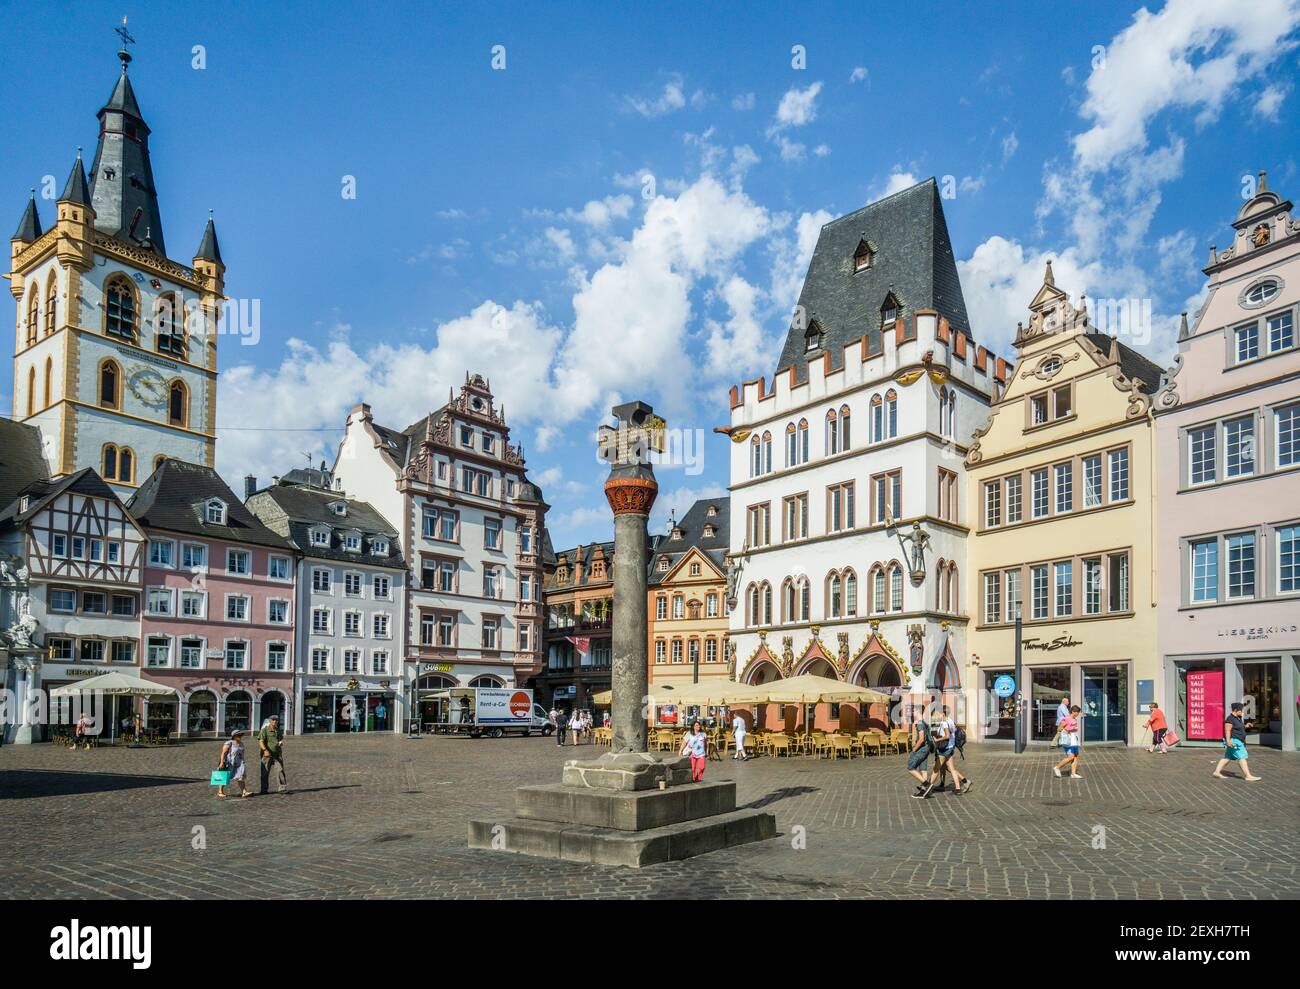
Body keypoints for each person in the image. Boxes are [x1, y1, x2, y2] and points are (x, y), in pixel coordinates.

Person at [926, 706, 971, 796]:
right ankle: (958, 788)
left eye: (938, 713)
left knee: (936, 769)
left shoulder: (944, 722)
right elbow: (953, 731)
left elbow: (947, 736)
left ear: (943, 713)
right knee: (951, 769)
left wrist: (937, 740)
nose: (937, 715)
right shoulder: (950, 720)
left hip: (945, 748)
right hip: (950, 747)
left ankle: (927, 789)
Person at [1213, 702, 1261, 782]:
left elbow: (1238, 728)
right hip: (1235, 741)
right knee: (1242, 757)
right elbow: (1227, 731)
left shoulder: (1238, 718)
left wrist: (1246, 726)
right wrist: (1228, 741)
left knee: (1227, 758)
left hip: (1237, 740)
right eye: (1240, 710)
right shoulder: (1230, 719)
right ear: (1235, 710)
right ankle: (1248, 776)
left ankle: (1217, 772)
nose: (1241, 712)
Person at [257, 714, 288, 794]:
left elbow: (280, 738)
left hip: (277, 754)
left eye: (276, 720)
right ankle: (264, 789)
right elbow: (260, 741)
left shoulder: (278, 730)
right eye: (273, 720)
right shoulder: (265, 730)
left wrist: (280, 743)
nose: (275, 721)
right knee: (265, 772)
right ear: (270, 721)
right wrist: (265, 750)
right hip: (267, 755)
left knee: (280, 771)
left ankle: (282, 788)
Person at [216, 729, 251, 799]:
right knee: (225, 776)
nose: (240, 736)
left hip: (238, 763)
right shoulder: (229, 743)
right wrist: (222, 762)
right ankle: (220, 792)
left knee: (241, 776)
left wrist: (243, 762)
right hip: (229, 763)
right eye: (239, 735)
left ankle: (244, 792)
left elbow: (241, 754)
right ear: (234, 736)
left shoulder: (241, 744)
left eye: (241, 735)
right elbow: (223, 753)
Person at [907, 713, 934, 797]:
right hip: (927, 748)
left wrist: (914, 749)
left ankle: (927, 785)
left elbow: (922, 739)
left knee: (911, 767)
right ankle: (924, 791)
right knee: (923, 769)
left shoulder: (920, 723)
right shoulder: (925, 723)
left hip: (921, 749)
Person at [1053, 704, 1083, 779]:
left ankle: (1073, 773)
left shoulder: (1074, 719)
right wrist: (1070, 729)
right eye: (1077, 712)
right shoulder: (1067, 718)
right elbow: (1059, 728)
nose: (1078, 714)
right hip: (1067, 740)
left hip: (1073, 739)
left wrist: (1074, 729)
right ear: (1073, 711)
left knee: (1075, 756)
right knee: (1071, 757)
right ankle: (1057, 767)